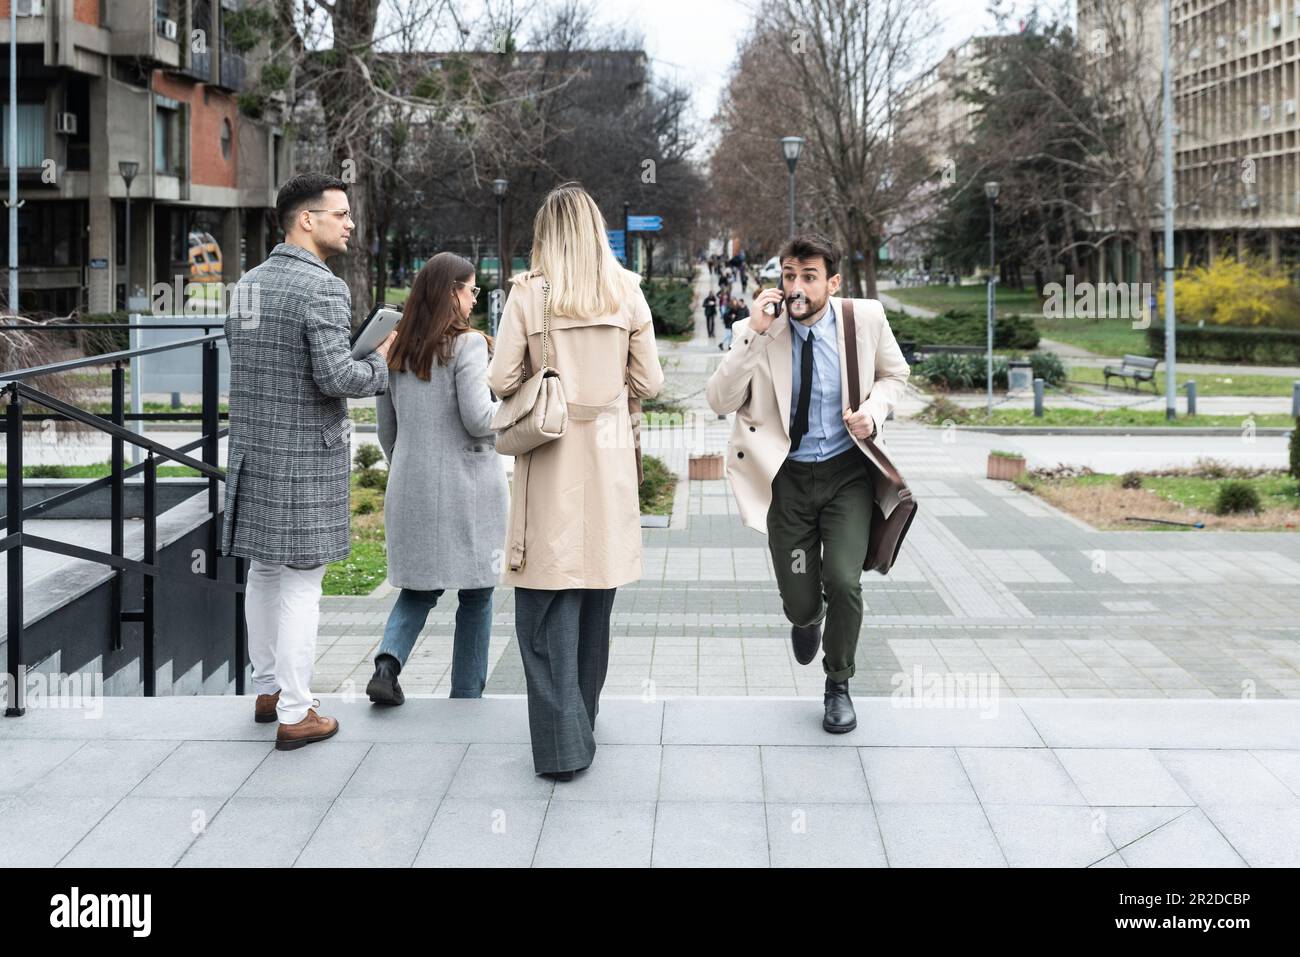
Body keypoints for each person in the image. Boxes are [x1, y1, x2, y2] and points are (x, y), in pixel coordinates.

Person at [486, 182, 664, 782]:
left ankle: (564, 746)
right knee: (595, 598)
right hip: (609, 462)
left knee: (542, 606)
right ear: (594, 231)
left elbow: (500, 377)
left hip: (550, 459)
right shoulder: (627, 291)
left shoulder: (529, 295)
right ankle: (582, 719)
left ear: (546, 234)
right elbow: (652, 382)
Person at [705, 232, 910, 733]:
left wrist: (874, 412)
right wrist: (752, 333)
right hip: (788, 483)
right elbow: (719, 400)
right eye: (789, 276)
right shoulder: (757, 331)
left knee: (843, 580)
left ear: (832, 283)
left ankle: (838, 683)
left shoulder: (864, 319)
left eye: (809, 278)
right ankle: (805, 618)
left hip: (846, 478)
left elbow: (894, 375)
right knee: (800, 598)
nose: (795, 288)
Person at [222, 172, 390, 751]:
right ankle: (297, 712)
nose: (350, 224)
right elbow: (336, 377)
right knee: (302, 585)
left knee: (264, 572)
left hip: (254, 453)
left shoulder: (246, 283)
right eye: (340, 214)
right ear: (306, 220)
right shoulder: (323, 288)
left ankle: (268, 690)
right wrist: (381, 362)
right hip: (303, 461)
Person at [367, 252, 507, 705]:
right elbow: (477, 418)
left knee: (418, 590)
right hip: (470, 490)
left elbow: (386, 430)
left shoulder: (396, 347)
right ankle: (466, 694)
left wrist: (409, 464)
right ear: (452, 293)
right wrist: (516, 407)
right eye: (471, 291)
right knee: (477, 594)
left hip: (412, 485)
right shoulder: (468, 345)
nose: (474, 300)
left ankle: (387, 666)